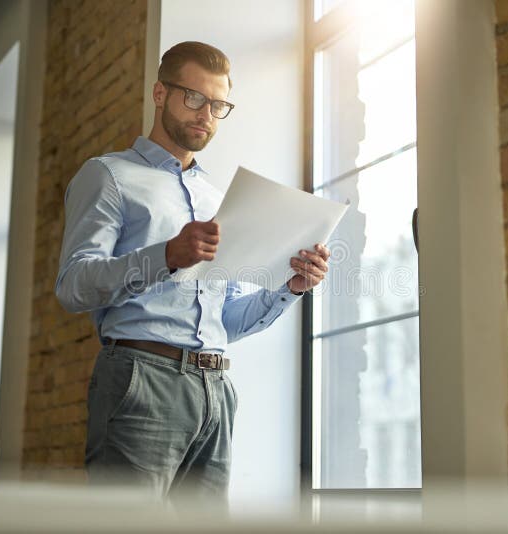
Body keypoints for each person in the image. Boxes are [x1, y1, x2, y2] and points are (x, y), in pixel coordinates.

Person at [54, 41, 329, 507]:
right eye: (193, 97)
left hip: (217, 390)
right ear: (160, 94)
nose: (206, 114)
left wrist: (288, 289)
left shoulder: (218, 199)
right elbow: (73, 286)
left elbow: (227, 322)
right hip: (141, 380)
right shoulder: (108, 176)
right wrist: (167, 256)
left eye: (218, 104)